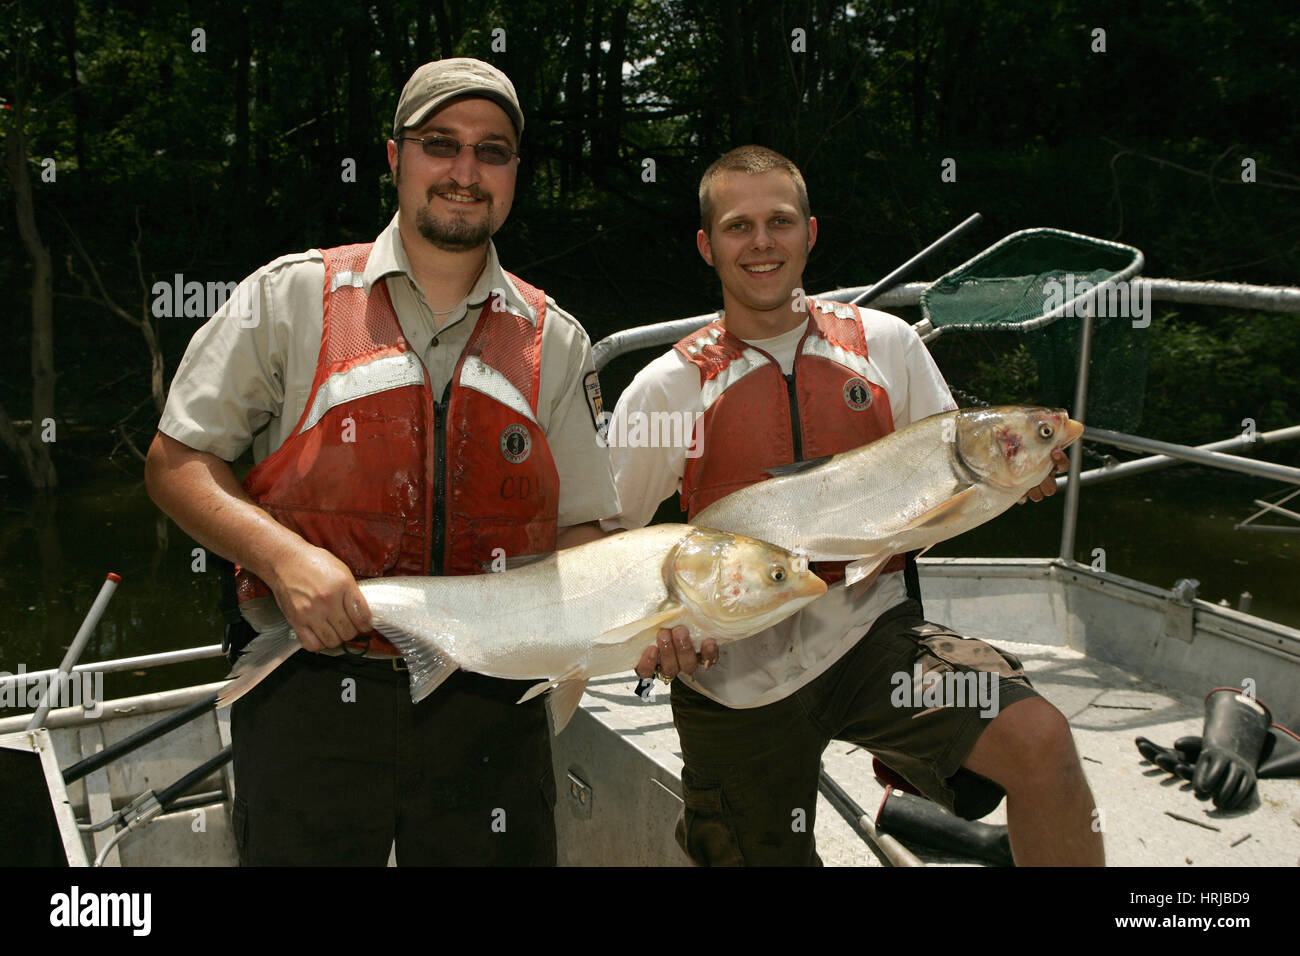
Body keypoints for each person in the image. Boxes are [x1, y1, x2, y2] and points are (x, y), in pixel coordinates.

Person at [144, 58, 701, 866]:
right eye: (441, 144)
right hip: (311, 686)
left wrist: (645, 619)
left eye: (493, 151)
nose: (465, 172)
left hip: (495, 697)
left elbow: (582, 532)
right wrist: (283, 559)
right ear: (394, 156)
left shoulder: (559, 340)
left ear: (515, 173)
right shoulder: (290, 298)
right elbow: (175, 462)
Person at [604, 145, 1105, 866]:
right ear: (706, 246)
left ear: (810, 234)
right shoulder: (665, 389)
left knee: (1041, 742)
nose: (762, 242)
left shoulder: (888, 346)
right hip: (733, 672)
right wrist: (651, 635)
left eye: (780, 220)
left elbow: (947, 487)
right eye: (739, 226)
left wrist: (1016, 479)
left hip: (872, 638)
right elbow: (606, 539)